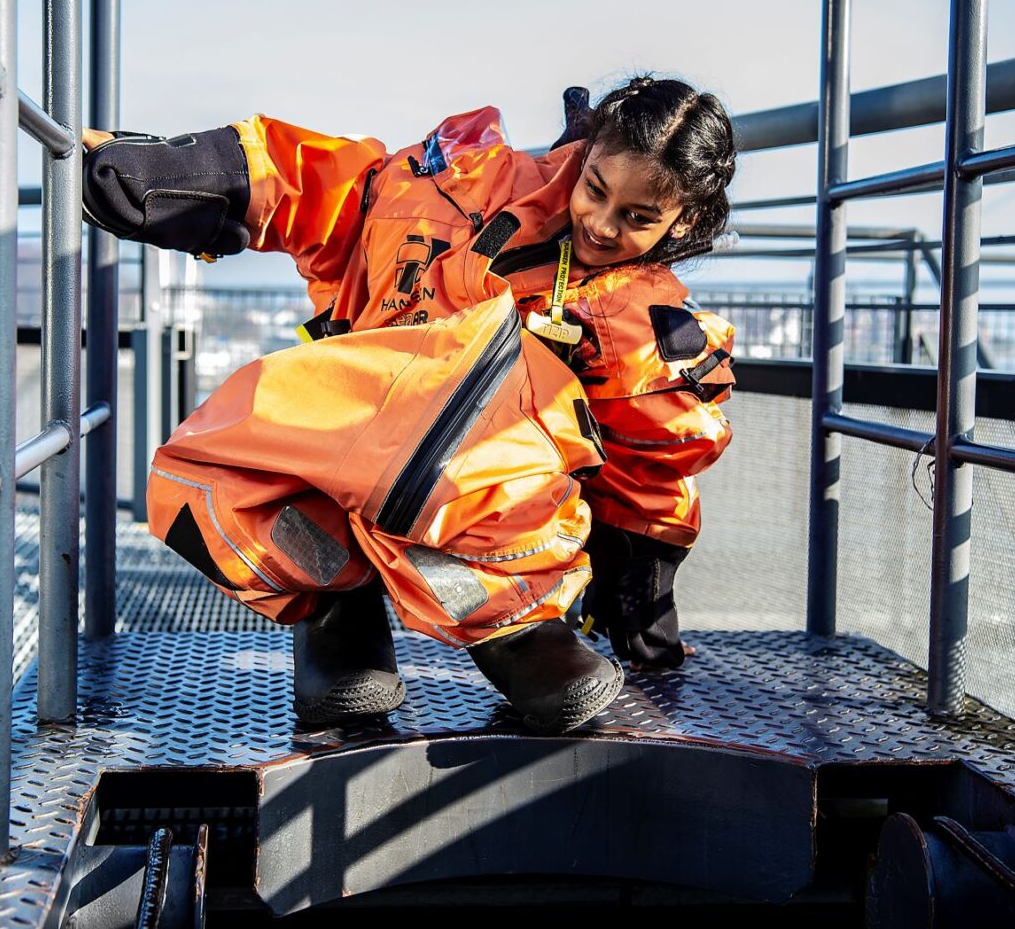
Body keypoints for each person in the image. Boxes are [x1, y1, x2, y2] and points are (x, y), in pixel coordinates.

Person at [79, 77, 736, 734]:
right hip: (342, 447)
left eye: (638, 217)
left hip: (478, 513)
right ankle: (338, 618)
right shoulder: (458, 181)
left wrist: (641, 610)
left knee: (500, 418)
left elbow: (655, 462)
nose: (601, 221)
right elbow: (340, 191)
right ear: (587, 151)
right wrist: (199, 171)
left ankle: (518, 632)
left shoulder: (641, 325)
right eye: (596, 187)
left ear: (686, 221)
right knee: (217, 475)